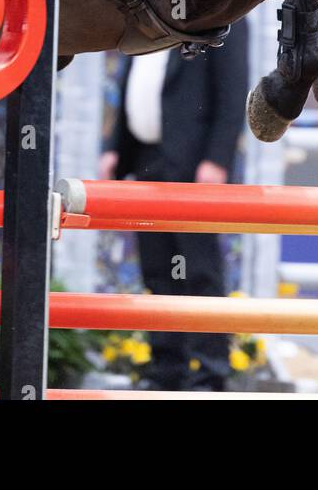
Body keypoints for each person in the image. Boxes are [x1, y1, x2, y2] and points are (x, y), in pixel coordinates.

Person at [100, 25, 249, 392]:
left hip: (194, 165)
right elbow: (131, 90)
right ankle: (167, 370)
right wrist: (115, 149)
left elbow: (233, 95)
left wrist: (218, 158)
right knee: (157, 270)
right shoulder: (147, 20)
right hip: (147, 158)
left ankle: (211, 372)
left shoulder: (224, 16)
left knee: (200, 271)